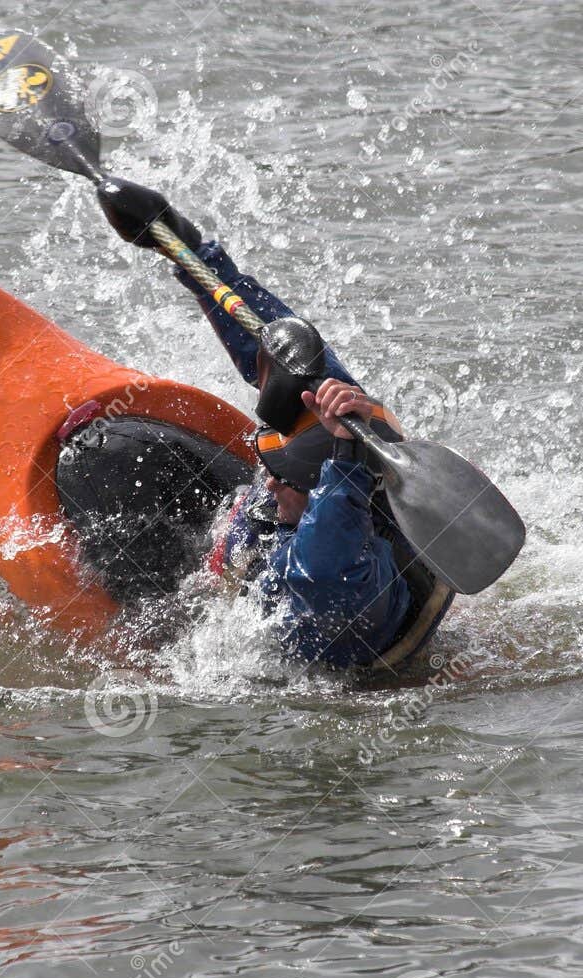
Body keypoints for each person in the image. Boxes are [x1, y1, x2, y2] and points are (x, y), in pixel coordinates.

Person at [96, 177, 415, 668]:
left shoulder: (340, 588)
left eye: (285, 477)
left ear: (334, 491)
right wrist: (185, 248)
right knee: (122, 446)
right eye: (273, 465)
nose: (268, 480)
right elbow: (273, 347)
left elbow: (324, 565)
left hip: (316, 651)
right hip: (289, 525)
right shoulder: (348, 426)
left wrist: (345, 465)